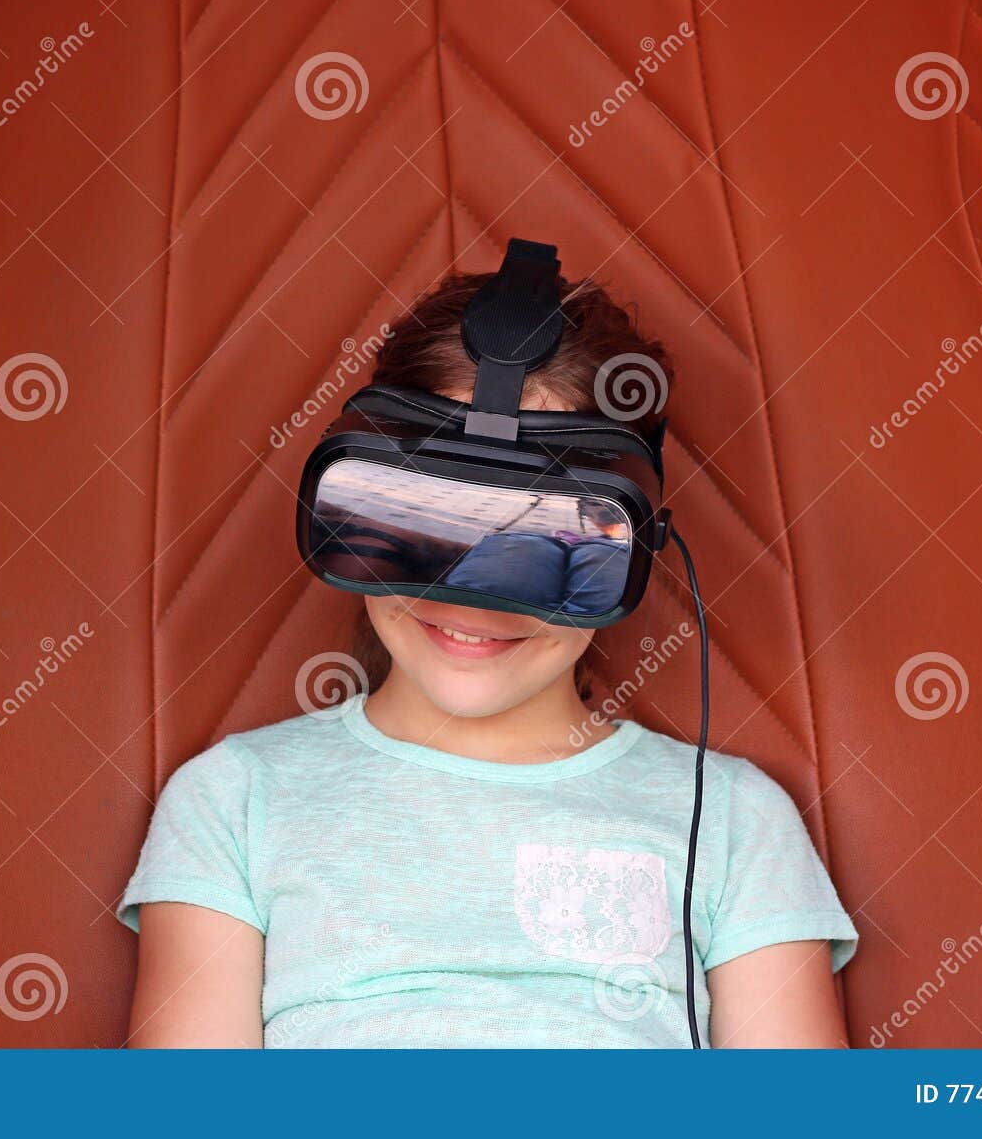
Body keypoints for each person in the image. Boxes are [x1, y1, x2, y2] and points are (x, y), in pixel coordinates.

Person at [118, 271, 857, 1048]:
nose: (474, 600)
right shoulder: (235, 802)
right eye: (425, 523)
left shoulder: (737, 821)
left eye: (548, 543)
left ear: (635, 553)